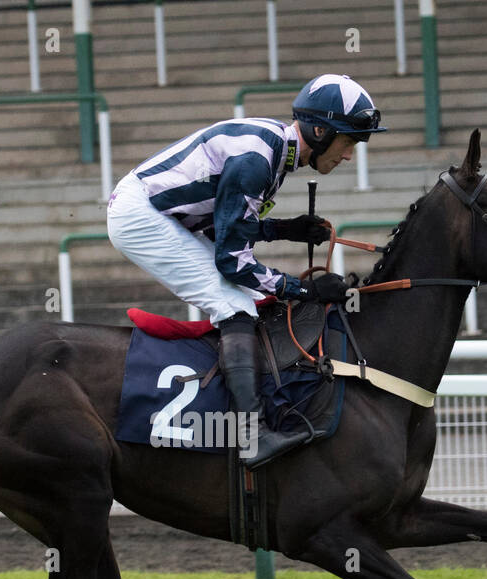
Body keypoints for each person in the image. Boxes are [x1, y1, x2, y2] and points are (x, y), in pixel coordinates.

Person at [107, 74, 388, 468]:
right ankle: (251, 435)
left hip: (166, 214)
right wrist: (302, 290)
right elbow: (232, 261)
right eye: (348, 142)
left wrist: (283, 229)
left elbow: (225, 227)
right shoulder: (258, 160)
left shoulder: (274, 152)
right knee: (234, 304)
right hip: (141, 216)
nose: (348, 156)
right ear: (321, 131)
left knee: (254, 298)